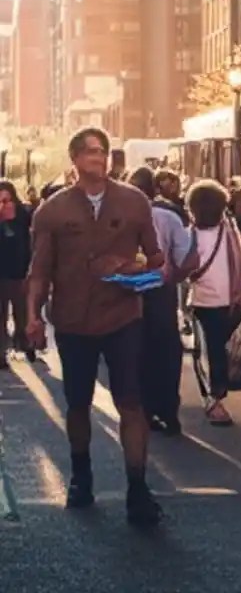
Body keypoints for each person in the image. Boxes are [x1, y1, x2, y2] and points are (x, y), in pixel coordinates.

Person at [26, 127, 165, 526]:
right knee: (78, 403)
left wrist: (130, 266)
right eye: (89, 152)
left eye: (103, 151)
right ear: (74, 159)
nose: (98, 158)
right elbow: (39, 271)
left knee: (131, 402)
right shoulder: (53, 211)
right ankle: (80, 476)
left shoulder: (135, 202)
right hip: (72, 320)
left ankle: (138, 489)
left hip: (123, 316)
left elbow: (156, 260)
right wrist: (33, 316)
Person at [128, 167, 195, 435]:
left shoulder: (122, 216)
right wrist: (174, 276)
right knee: (167, 351)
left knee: (137, 351)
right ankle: (168, 409)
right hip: (161, 290)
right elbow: (188, 258)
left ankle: (145, 409)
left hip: (130, 291)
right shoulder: (169, 217)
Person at [186, 179, 241, 427]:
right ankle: (215, 397)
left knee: (209, 353)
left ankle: (214, 397)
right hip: (228, 300)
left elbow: (185, 267)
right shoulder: (229, 230)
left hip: (202, 302)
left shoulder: (189, 235)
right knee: (219, 351)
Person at [0, 180, 33, 368]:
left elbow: (29, 238)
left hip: (20, 271)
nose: (5, 204)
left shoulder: (22, 214)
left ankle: (26, 343)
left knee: (22, 312)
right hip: (1, 272)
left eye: (8, 199)